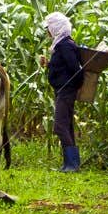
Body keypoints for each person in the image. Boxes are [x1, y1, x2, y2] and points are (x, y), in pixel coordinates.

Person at [41, 11, 85, 173]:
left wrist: (72, 86)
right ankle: (70, 164)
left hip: (66, 90)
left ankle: (72, 164)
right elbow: (63, 67)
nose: (48, 32)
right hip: (62, 89)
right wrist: (49, 64)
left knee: (60, 125)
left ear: (56, 27)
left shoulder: (65, 45)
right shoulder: (60, 44)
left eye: (49, 28)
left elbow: (76, 70)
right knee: (66, 124)